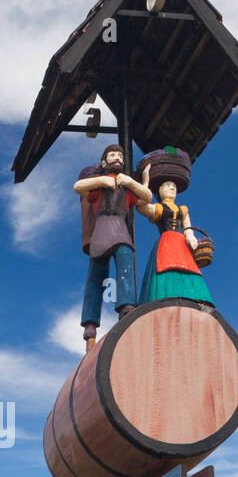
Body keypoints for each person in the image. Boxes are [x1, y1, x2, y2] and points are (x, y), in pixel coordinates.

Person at [74, 145, 152, 352]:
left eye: (119, 155)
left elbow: (146, 198)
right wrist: (102, 180)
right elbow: (78, 187)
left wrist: (132, 182)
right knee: (95, 275)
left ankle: (126, 306)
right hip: (101, 229)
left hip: (119, 229)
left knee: (125, 257)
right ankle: (90, 323)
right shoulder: (99, 184)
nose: (117, 158)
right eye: (112, 155)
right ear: (104, 161)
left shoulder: (125, 186)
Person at [136, 166, 213, 306]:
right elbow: (141, 206)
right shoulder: (159, 208)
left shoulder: (183, 209)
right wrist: (145, 182)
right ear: (160, 191)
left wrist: (191, 237)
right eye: (167, 186)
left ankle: (196, 298)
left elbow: (188, 228)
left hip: (181, 243)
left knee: (188, 268)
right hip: (166, 243)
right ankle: (166, 297)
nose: (172, 188)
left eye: (174, 186)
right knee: (167, 267)